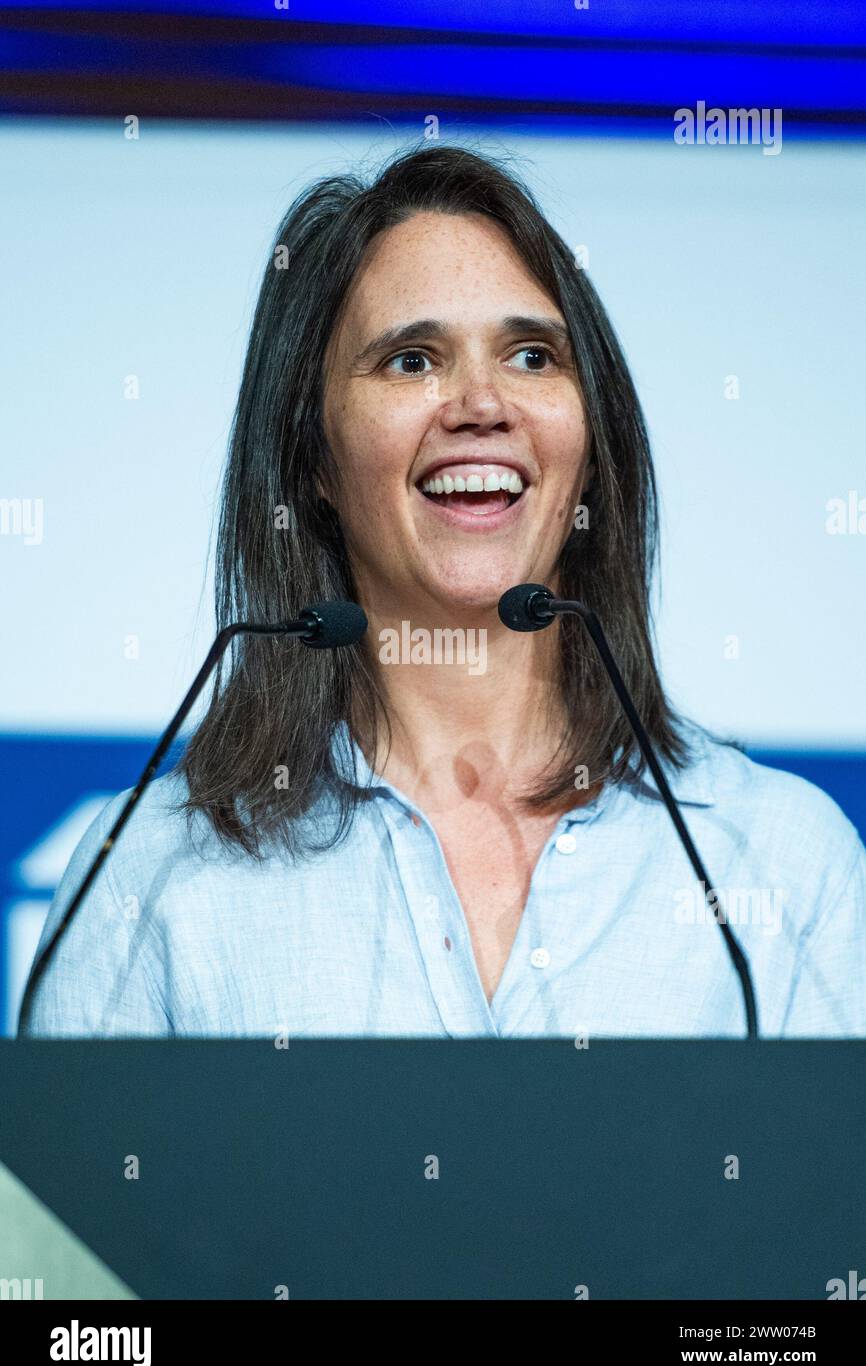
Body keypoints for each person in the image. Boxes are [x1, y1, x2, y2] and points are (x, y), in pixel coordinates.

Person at [20, 144, 866, 1040]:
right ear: (312, 458)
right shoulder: (152, 873)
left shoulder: (778, 861)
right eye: (412, 361)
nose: (481, 402)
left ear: (593, 437)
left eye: (534, 356)